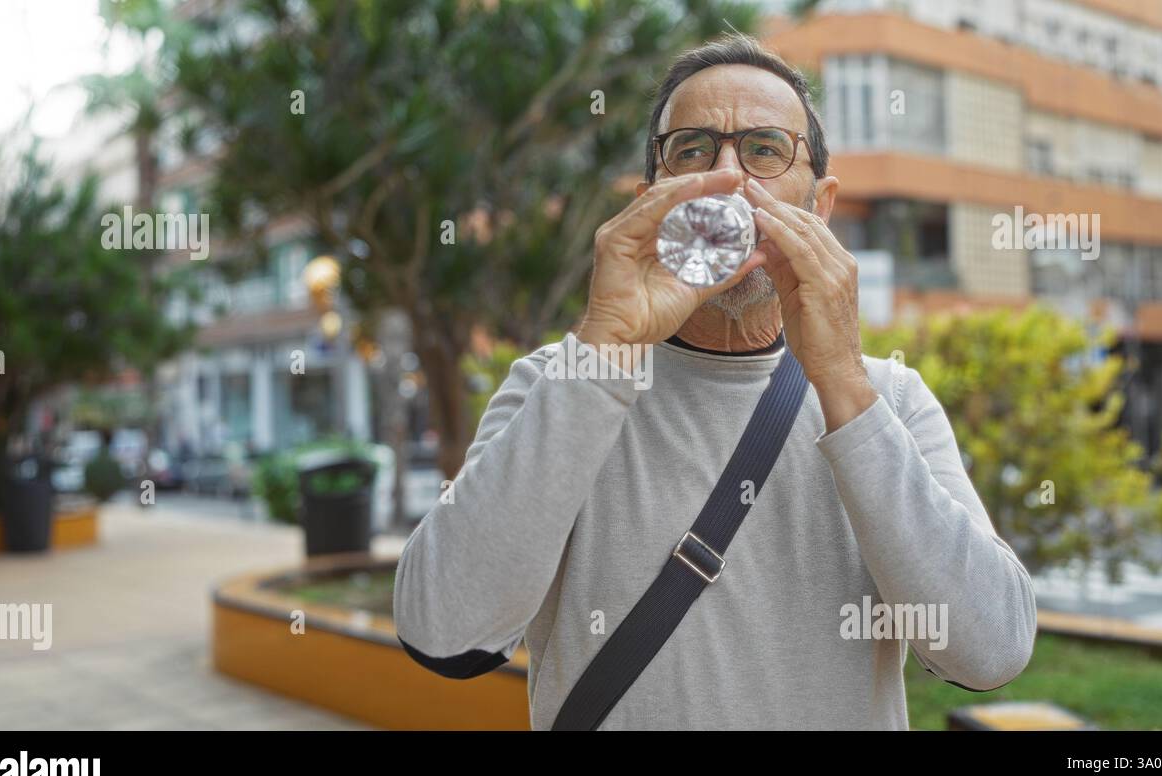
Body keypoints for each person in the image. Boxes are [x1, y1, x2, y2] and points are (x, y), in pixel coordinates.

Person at [393, 34, 1036, 730]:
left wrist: (843, 382)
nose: (729, 177)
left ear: (821, 204)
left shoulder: (892, 400)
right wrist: (606, 342)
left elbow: (989, 649)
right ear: (652, 199)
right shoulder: (559, 383)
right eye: (693, 151)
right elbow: (443, 633)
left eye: (764, 149)